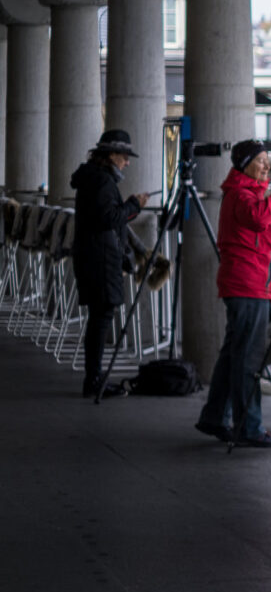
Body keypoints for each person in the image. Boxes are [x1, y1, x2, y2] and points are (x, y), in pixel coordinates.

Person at [195, 140, 271, 447]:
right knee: (248, 360)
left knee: (234, 354)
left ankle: (214, 416)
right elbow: (259, 217)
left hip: (249, 284)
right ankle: (249, 428)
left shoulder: (246, 195)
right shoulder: (242, 195)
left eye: (267, 160)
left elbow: (258, 229)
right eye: (261, 161)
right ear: (244, 165)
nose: (267, 166)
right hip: (249, 287)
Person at [69, 129, 150, 398]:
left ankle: (94, 377)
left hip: (92, 255)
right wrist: (133, 205)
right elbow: (108, 218)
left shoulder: (91, 178)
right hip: (101, 258)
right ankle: (94, 380)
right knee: (101, 318)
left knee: (98, 318)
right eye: (125, 156)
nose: (127, 162)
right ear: (112, 155)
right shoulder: (103, 182)